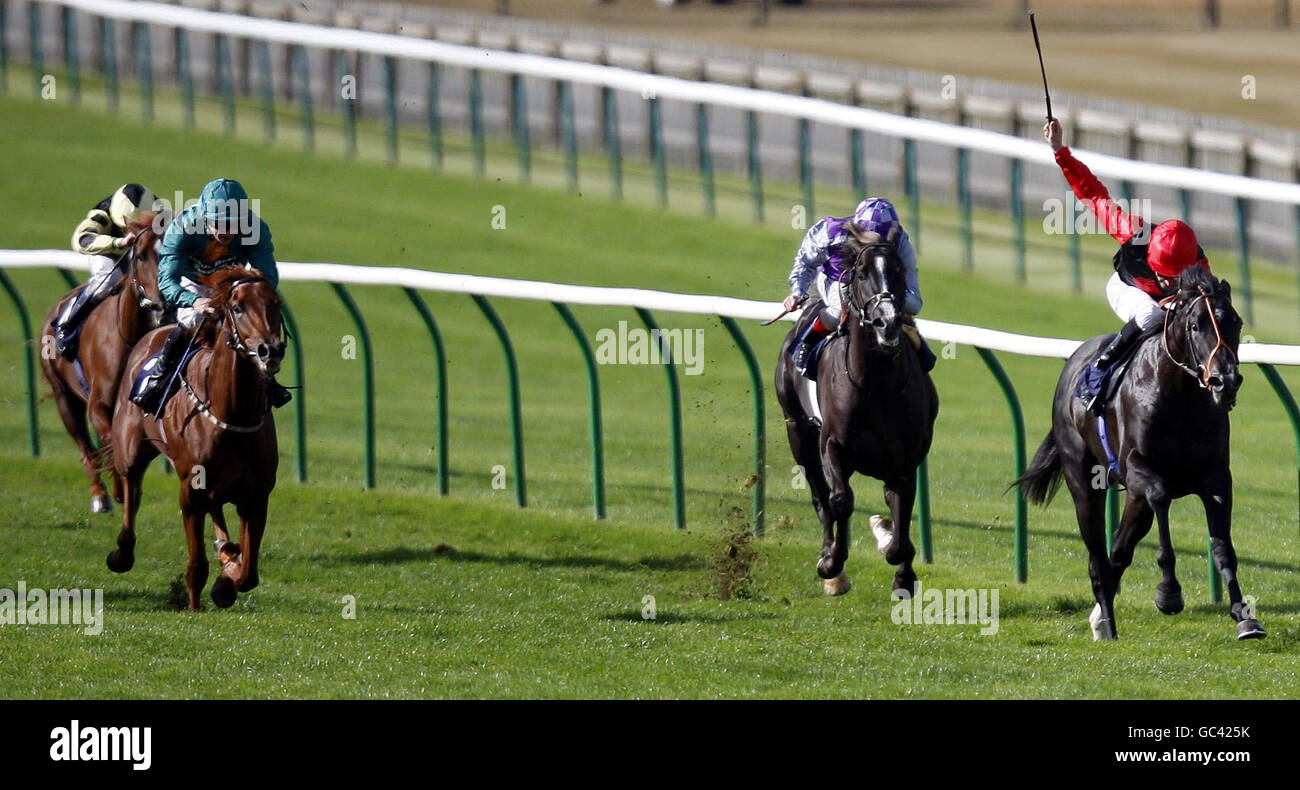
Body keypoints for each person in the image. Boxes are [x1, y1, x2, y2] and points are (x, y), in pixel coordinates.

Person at [1044, 118, 1211, 412]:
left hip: (1172, 306)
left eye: (1175, 278)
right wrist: (1060, 151)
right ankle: (1099, 370)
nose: (1167, 284)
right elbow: (1093, 194)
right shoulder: (1134, 232)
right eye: (1164, 276)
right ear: (1150, 259)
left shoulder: (1198, 263)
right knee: (1150, 314)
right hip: (1127, 288)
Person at [131, 178, 292, 414]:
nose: (227, 231)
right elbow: (166, 281)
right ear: (205, 218)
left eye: (233, 223)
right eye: (220, 223)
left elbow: (267, 276)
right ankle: (158, 378)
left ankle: (268, 381)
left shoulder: (255, 228)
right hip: (193, 284)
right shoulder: (183, 228)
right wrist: (194, 301)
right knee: (192, 321)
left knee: (253, 327)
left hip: (232, 283)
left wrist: (248, 294)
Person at [783, 196, 925, 377]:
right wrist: (797, 291)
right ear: (858, 232)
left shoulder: (901, 242)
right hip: (835, 279)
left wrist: (894, 304)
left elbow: (915, 302)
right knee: (838, 309)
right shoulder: (831, 231)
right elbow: (805, 262)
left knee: (898, 312)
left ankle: (921, 359)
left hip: (879, 284)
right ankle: (807, 343)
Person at [52, 183, 160, 359]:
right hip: (108, 250)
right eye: (132, 226)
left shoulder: (158, 209)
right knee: (107, 279)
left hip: (142, 251)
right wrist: (118, 243)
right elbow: (81, 240)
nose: (136, 230)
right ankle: (66, 324)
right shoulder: (102, 215)